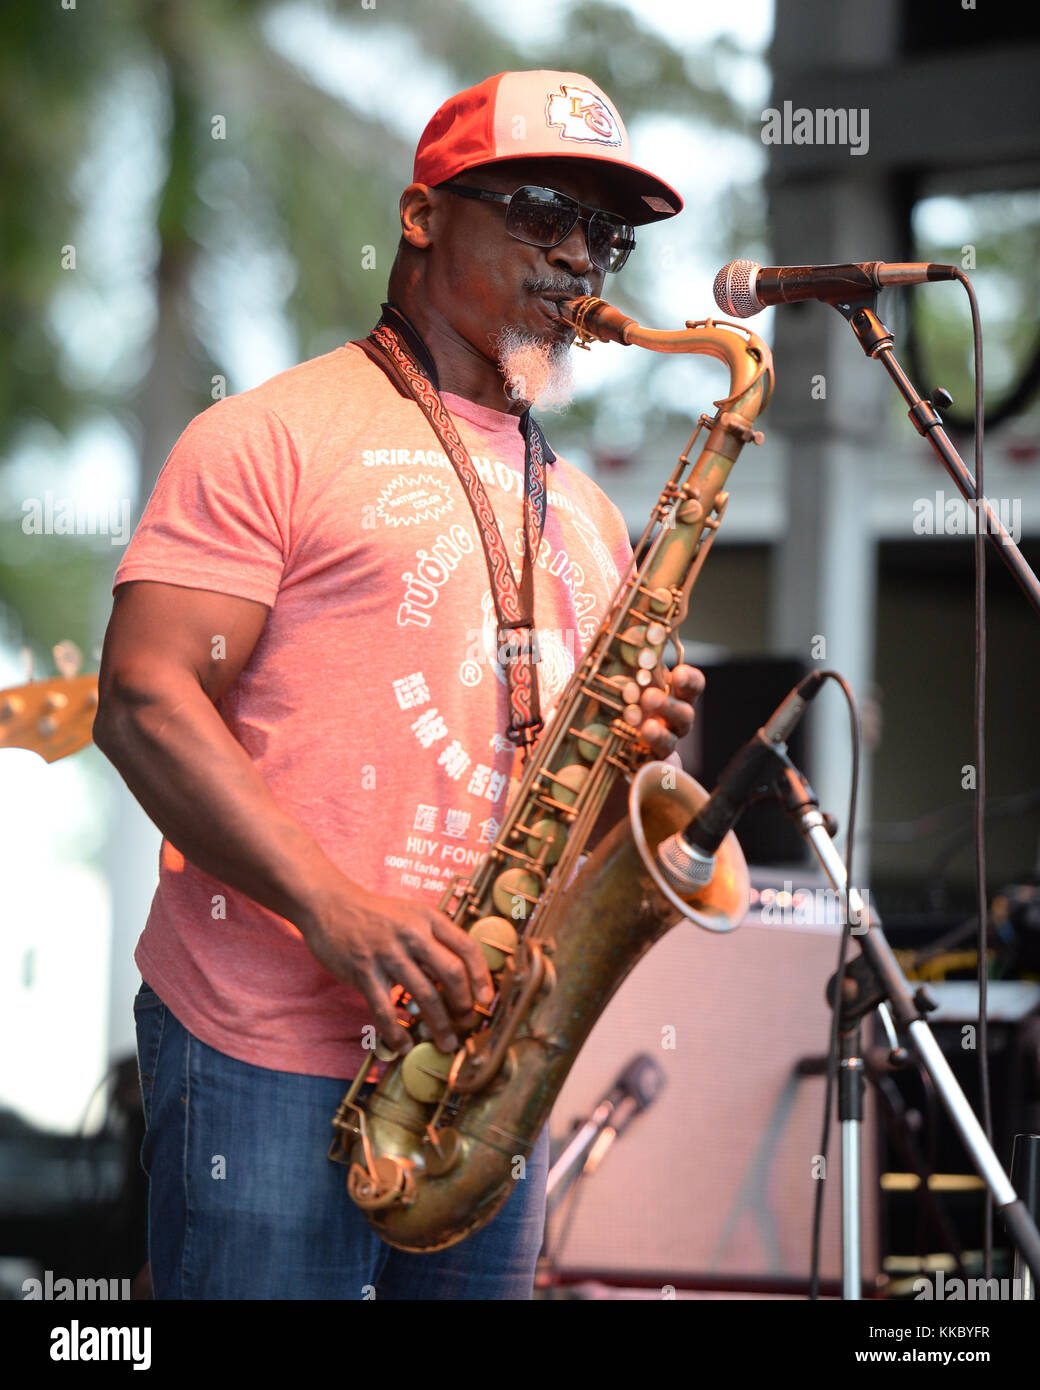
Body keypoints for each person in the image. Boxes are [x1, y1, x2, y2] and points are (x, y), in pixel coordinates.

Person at [95, 69, 705, 1300]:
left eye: (604, 233)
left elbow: (561, 805)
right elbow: (144, 701)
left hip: (480, 1070)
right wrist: (335, 908)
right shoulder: (269, 435)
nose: (578, 256)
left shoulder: (588, 514)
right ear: (422, 214)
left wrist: (630, 760)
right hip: (261, 1048)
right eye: (542, 211)